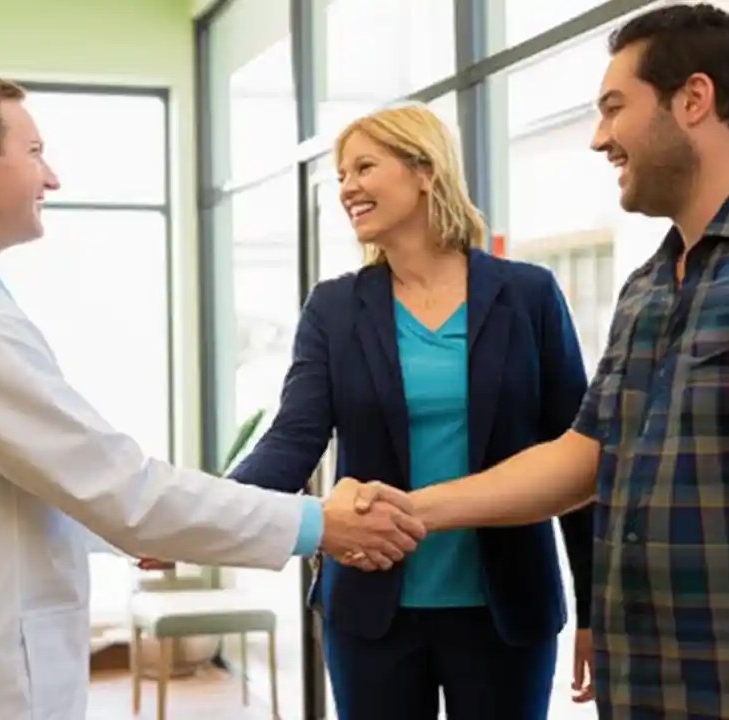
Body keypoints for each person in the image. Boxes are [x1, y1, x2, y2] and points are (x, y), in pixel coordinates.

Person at [363, 5, 729, 719]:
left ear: (694, 100)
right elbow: (583, 456)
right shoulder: (647, 288)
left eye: (614, 108)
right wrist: (410, 508)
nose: (599, 138)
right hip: (648, 693)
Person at [0, 75, 425, 720]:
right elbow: (118, 485)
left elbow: (40, 480)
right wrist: (318, 522)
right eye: (36, 151)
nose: (52, 178)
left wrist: (144, 531)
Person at [224, 102, 595, 719]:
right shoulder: (335, 308)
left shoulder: (528, 295)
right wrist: (203, 513)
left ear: (425, 171)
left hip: (506, 608)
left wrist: (594, 607)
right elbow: (291, 443)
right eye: (341, 175)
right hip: (372, 613)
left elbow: (578, 453)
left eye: (364, 167)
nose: (347, 187)